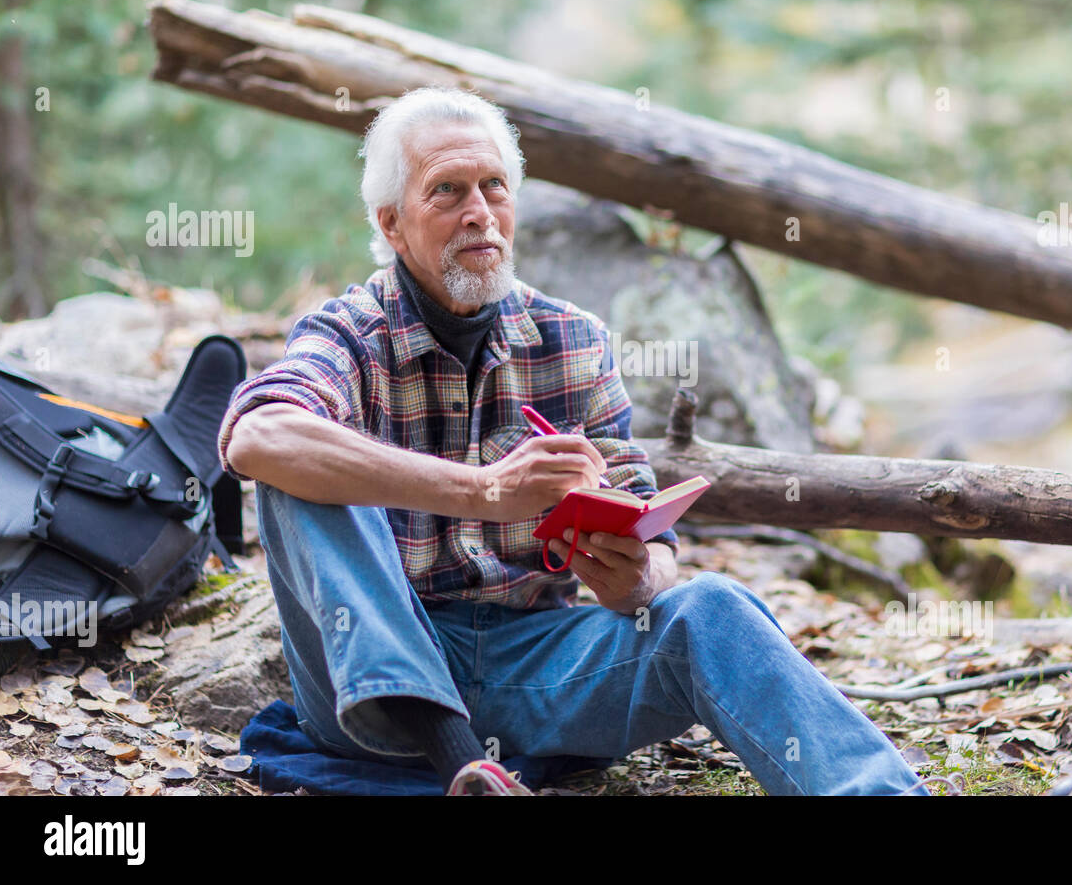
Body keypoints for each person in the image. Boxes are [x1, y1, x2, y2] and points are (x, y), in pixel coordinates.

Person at [217, 85, 926, 796]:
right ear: (393, 225)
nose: (480, 213)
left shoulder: (573, 340)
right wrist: (484, 491)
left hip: (537, 669)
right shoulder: (346, 333)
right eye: (448, 192)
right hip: (367, 694)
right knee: (307, 469)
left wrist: (634, 576)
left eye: (495, 187)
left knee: (712, 609)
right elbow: (258, 436)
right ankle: (457, 757)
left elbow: (655, 552)